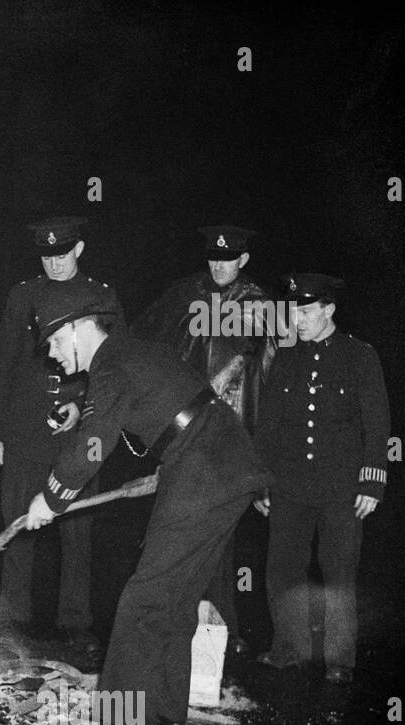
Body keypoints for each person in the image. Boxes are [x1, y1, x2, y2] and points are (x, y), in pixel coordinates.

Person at [23, 279, 271, 725]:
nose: (53, 354)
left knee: (142, 600)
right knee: (175, 597)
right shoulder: (129, 353)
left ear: (78, 328)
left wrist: (51, 498)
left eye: (55, 341)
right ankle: (165, 712)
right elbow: (172, 408)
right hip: (217, 462)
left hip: (204, 466)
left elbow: (94, 444)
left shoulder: (111, 362)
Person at [0, 217, 126, 655]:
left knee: (76, 528)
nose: (55, 264)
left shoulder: (101, 297)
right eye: (47, 257)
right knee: (19, 522)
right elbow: (3, 363)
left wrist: (81, 405)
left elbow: (113, 367)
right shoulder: (23, 295)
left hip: (78, 434)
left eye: (62, 255)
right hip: (24, 427)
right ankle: (11, 618)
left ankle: (76, 622)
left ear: (79, 249)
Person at [132, 225, 273, 658]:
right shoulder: (183, 294)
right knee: (173, 529)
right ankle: (168, 626)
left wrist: (263, 459)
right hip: (182, 432)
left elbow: (271, 377)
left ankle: (221, 632)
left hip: (231, 436)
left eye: (227, 259)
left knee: (220, 535)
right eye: (213, 258)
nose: (218, 265)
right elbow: (143, 337)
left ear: (243, 261)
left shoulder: (260, 305)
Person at [252, 273, 389, 682]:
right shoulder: (287, 358)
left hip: (340, 488)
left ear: (329, 310)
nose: (297, 320)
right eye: (293, 311)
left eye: (306, 311)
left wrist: (372, 480)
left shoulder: (359, 355)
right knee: (283, 570)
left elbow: (377, 422)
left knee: (338, 572)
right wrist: (261, 480)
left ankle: (339, 661)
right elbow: (270, 424)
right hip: (290, 485)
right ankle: (288, 649)